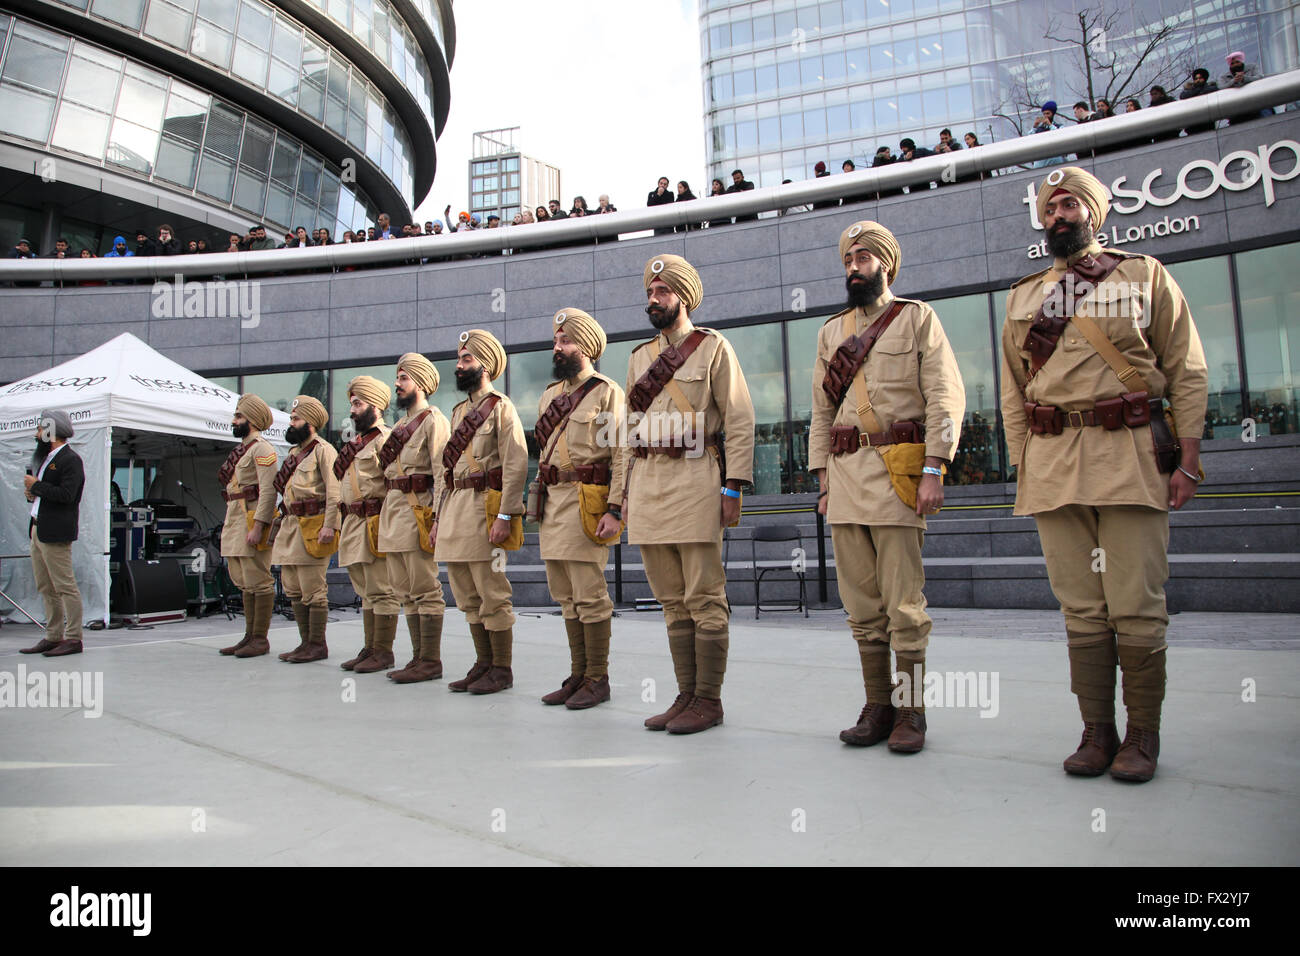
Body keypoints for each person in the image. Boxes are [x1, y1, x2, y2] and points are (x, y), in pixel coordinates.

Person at [1000, 166, 1208, 782]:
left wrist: (1189, 459)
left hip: (1130, 455)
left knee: (1136, 605)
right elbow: (1014, 394)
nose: (1058, 215)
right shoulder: (1022, 296)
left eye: (1069, 205)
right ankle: (1097, 731)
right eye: (1050, 208)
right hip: (1054, 462)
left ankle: (1142, 735)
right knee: (1080, 607)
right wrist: (1023, 466)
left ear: (1095, 213)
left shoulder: (1143, 274)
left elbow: (1187, 369)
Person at [811, 222, 965, 754]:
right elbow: (821, 411)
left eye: (865, 258)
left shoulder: (917, 319)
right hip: (846, 480)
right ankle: (878, 706)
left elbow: (945, 396)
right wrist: (823, 478)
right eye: (849, 259)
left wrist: (935, 467)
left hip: (899, 475)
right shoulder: (831, 332)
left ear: (886, 265)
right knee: (861, 607)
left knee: (904, 607)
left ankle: (911, 711)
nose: (855, 267)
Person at [622, 254, 755, 734]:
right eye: (650, 294)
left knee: (703, 594)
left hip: (698, 478)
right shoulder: (639, 357)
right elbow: (628, 434)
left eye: (662, 292)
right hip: (650, 483)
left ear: (683, 296)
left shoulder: (713, 348)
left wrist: (734, 486)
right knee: (670, 599)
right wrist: (623, 497)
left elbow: (738, 418)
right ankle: (685, 694)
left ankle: (709, 700)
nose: (653, 301)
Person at [535, 308, 627, 710]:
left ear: (586, 346)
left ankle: (597, 678)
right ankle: (578, 673)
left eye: (566, 341)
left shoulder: (607, 392)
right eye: (556, 341)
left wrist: (616, 507)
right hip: (552, 503)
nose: (558, 347)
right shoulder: (548, 396)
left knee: (589, 595)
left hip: (587, 502)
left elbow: (622, 453)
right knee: (565, 596)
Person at [433, 330, 528, 695]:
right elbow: (446, 472)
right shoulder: (457, 412)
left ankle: (501, 669)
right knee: (466, 594)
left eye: (466, 359)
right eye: (458, 359)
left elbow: (516, 463)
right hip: (456, 508)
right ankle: (483, 663)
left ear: (485, 365)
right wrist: (439, 518)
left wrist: (507, 515)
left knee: (492, 592)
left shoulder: (500, 406)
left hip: (485, 509)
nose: (459, 366)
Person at [378, 354, 452, 682]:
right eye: (397, 378)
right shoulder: (398, 426)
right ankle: (416, 657)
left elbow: (441, 472)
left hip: (417, 511)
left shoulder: (433, 421)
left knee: (424, 589)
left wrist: (438, 518)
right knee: (403, 590)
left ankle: (430, 661)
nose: (397, 384)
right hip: (392, 514)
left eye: (404, 378)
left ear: (420, 384)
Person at [335, 378, 398, 673]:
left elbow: (393, 484)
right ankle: (371, 647)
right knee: (366, 591)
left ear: (376, 406)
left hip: (375, 521)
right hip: (353, 522)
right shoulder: (357, 443)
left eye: (358, 404)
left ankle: (383, 652)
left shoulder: (386, 439)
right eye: (352, 404)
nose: (352, 410)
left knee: (382, 589)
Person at [271, 396, 339, 663]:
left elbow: (334, 493)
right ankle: (304, 642)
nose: (292, 423)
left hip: (313, 525)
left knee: (312, 588)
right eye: (291, 418)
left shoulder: (324, 450)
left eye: (296, 419)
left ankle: (317, 644)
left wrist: (330, 526)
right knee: (293, 588)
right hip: (290, 526)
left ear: (310, 423)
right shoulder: (293, 454)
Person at [217, 395, 279, 658]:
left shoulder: (262, 449)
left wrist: (259, 525)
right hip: (235, 517)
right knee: (243, 580)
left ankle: (259, 639)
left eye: (239, 417)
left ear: (252, 420)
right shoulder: (242, 450)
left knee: (258, 580)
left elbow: (267, 491)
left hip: (251, 518)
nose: (234, 421)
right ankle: (249, 635)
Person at [20, 410, 86, 657]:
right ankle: (53, 634)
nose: (37, 433)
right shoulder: (46, 458)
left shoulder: (70, 460)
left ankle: (73, 637)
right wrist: (32, 494)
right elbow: (49, 493)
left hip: (55, 532)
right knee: (45, 586)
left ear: (51, 431)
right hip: (38, 527)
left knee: (64, 586)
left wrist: (36, 486)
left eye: (40, 429)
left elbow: (68, 495)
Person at [1221, 52, 1265, 125]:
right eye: (1232, 63)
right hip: (1237, 112)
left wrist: (1244, 78)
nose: (1235, 65)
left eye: (1237, 62)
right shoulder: (1224, 77)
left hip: (1257, 106)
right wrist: (1233, 81)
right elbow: (1221, 87)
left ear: (1241, 62)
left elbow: (1260, 77)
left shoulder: (1252, 67)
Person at [1180, 69, 1220, 135]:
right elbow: (1183, 96)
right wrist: (1195, 89)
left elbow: (1213, 89)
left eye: (1200, 78)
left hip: (1207, 123)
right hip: (1193, 124)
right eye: (1196, 79)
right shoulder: (1190, 90)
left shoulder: (1210, 88)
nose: (1198, 80)